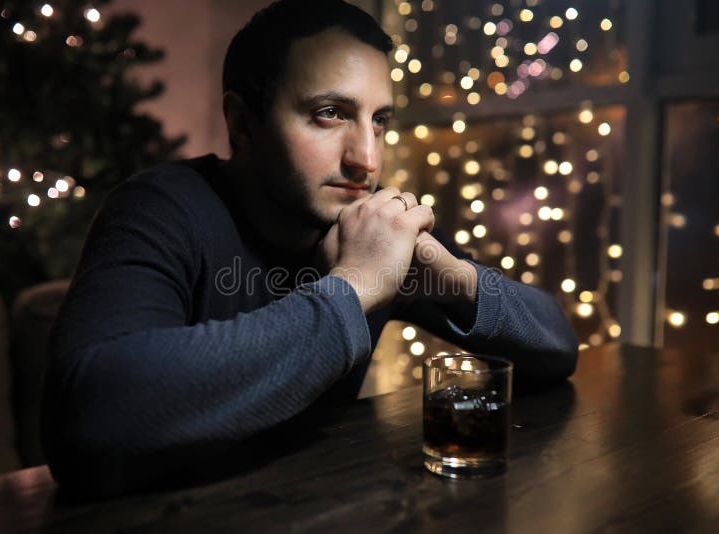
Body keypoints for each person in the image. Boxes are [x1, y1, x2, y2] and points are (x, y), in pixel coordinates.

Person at [42, 0, 578, 496]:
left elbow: (556, 350)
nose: (366, 159)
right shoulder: (162, 208)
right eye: (329, 113)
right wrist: (355, 287)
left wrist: (453, 276)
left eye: (380, 121)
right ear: (243, 124)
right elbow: (90, 415)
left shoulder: (371, 228)